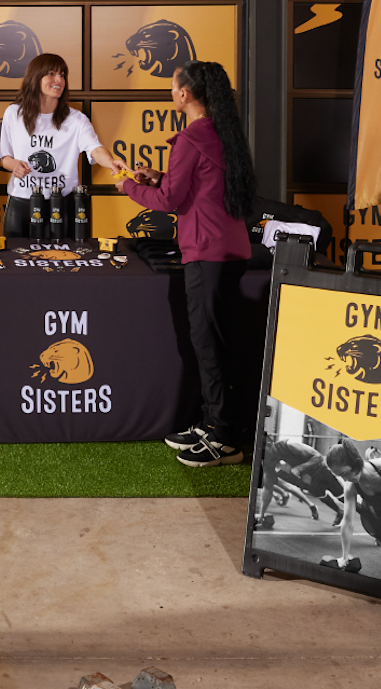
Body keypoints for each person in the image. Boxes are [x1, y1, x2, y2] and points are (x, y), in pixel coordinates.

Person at [118, 61, 254, 467]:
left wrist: (127, 185)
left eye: (172, 87)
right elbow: (197, 186)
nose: (170, 92)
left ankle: (225, 439)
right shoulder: (218, 132)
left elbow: (170, 202)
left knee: (208, 345)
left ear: (184, 94)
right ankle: (215, 422)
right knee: (217, 343)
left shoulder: (191, 138)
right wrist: (160, 175)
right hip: (230, 251)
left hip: (206, 252)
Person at [0, 53, 127, 235]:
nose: (59, 79)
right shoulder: (13, 113)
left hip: (62, 203)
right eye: (51, 73)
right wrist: (14, 165)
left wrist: (111, 161)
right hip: (21, 203)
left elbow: (95, 149)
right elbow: (5, 157)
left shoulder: (76, 119)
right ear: (35, 78)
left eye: (62, 75)